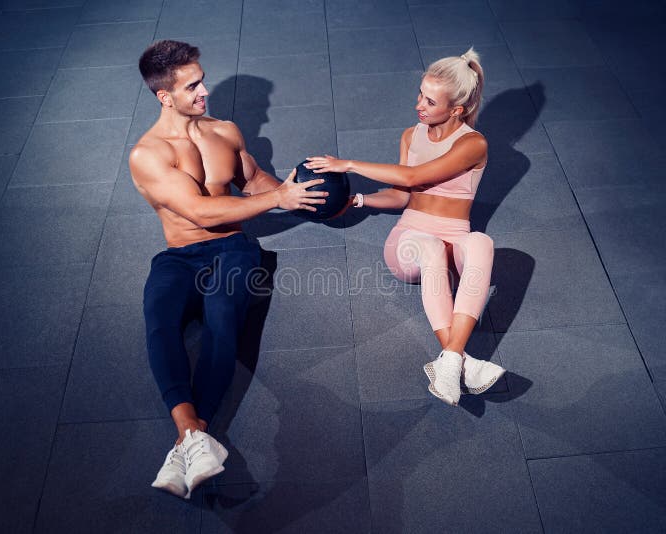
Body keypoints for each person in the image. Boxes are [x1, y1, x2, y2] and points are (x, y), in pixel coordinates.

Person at [129, 40, 327, 499]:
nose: (204, 91)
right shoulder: (148, 154)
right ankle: (193, 435)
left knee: (221, 319)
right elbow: (198, 211)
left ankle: (188, 440)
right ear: (166, 96)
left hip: (233, 250)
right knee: (159, 321)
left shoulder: (224, 131)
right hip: (179, 255)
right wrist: (276, 201)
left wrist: (310, 198)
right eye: (192, 85)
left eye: (202, 79)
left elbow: (254, 181)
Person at [306, 48, 505, 407]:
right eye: (420, 94)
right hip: (410, 243)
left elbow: (415, 176)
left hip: (454, 243)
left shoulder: (473, 143)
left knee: (481, 243)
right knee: (429, 247)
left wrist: (349, 163)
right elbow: (402, 194)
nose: (419, 104)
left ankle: (450, 360)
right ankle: (457, 359)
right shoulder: (410, 136)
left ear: (456, 109)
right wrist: (360, 201)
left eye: (430, 100)